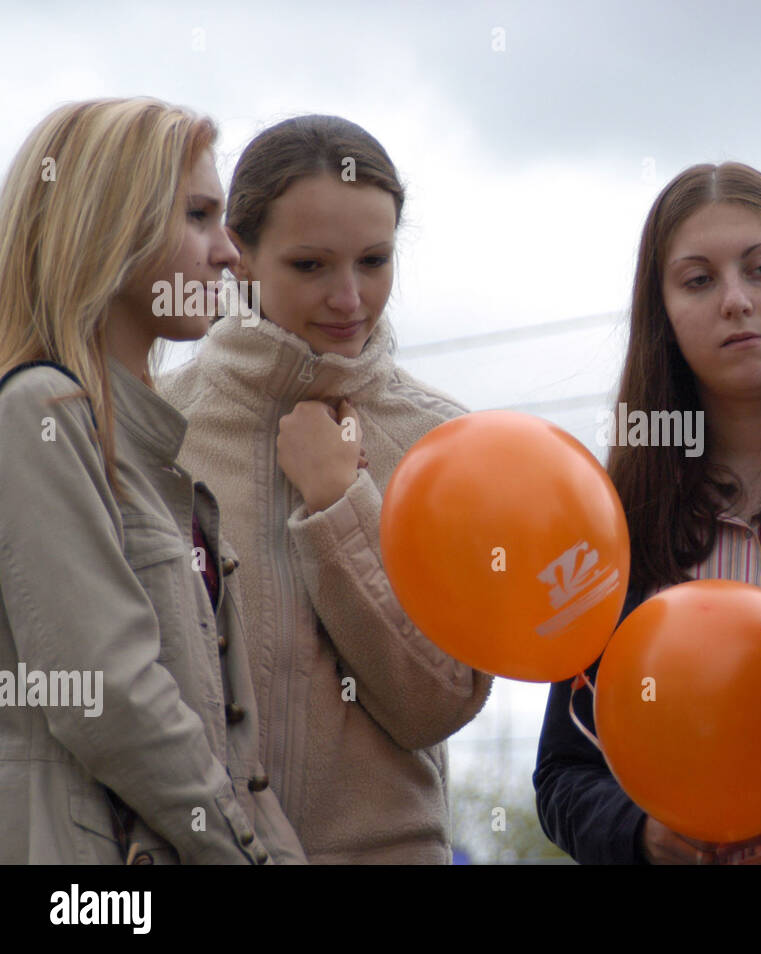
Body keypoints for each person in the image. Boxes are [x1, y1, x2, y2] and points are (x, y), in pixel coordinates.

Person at [159, 115, 492, 863]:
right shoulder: (157, 433)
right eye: (311, 265)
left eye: (373, 261)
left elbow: (434, 702)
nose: (349, 297)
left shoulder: (446, 445)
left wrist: (341, 507)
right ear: (237, 257)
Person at [533, 162, 761, 864]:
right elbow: (565, 773)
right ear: (662, 316)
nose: (737, 301)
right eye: (698, 280)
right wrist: (641, 833)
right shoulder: (614, 520)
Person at [0, 97, 305, 864]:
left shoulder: (152, 451)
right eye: (198, 215)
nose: (230, 252)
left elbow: (233, 756)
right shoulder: (38, 414)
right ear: (108, 223)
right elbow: (111, 697)